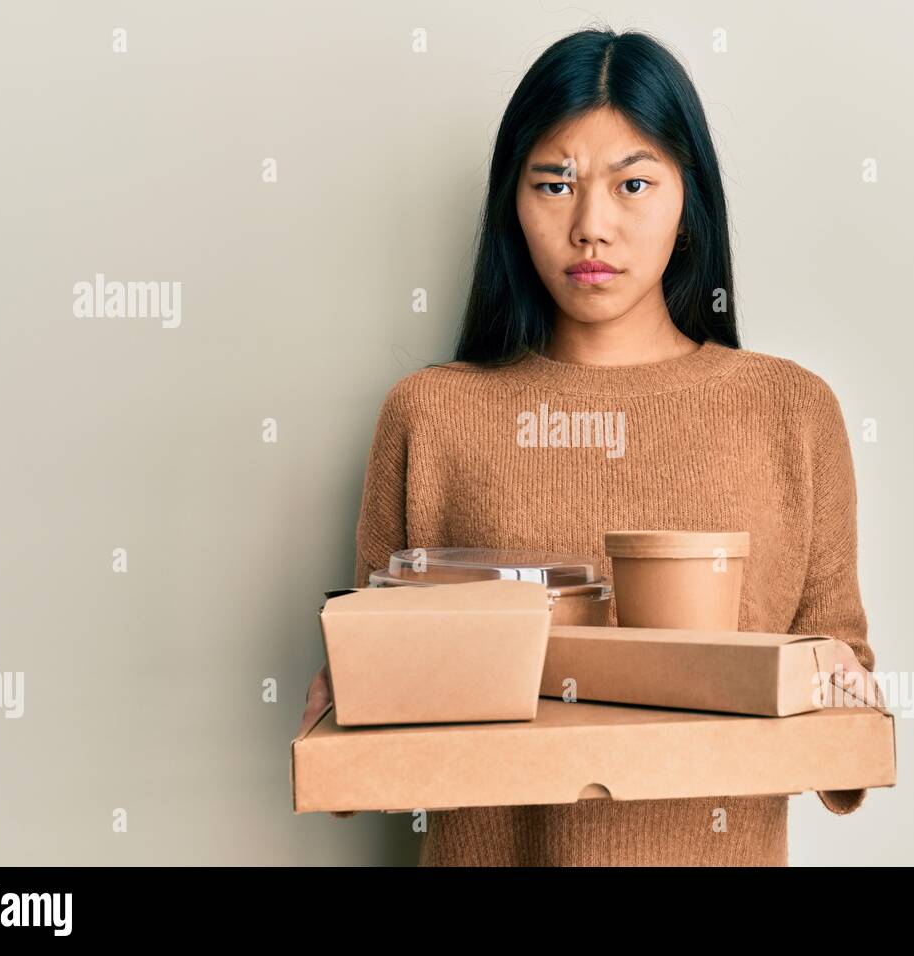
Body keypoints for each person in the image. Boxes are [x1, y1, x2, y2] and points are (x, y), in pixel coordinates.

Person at [298, 26, 876, 866]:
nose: (591, 226)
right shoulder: (430, 415)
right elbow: (375, 715)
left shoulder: (791, 412)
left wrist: (845, 696)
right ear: (513, 204)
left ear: (689, 205)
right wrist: (343, 702)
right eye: (554, 183)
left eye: (633, 183)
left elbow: (841, 684)